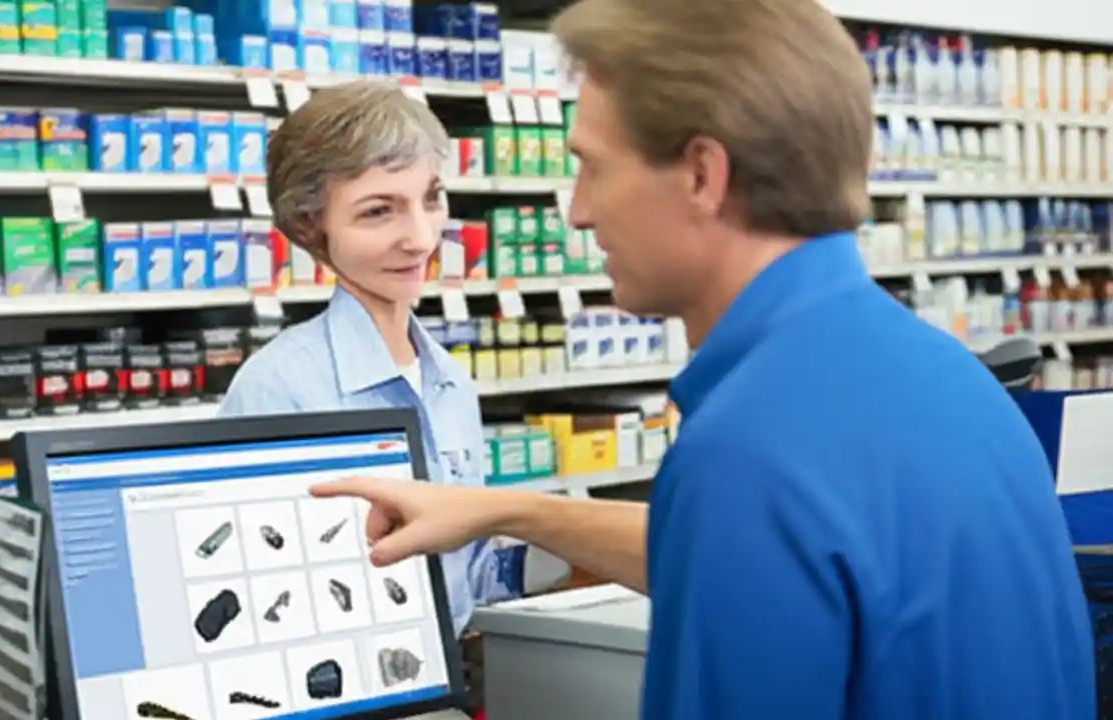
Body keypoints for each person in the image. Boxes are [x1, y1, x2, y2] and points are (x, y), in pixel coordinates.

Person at [312, 0, 1096, 717]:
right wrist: (502, 510)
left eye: (593, 165)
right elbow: (741, 552)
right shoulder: (947, 376)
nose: (579, 210)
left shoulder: (751, 449)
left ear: (700, 174)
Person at [218, 81, 509, 634]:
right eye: (379, 212)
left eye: (431, 198)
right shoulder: (279, 387)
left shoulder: (450, 381)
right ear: (310, 226)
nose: (421, 238)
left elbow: (464, 582)